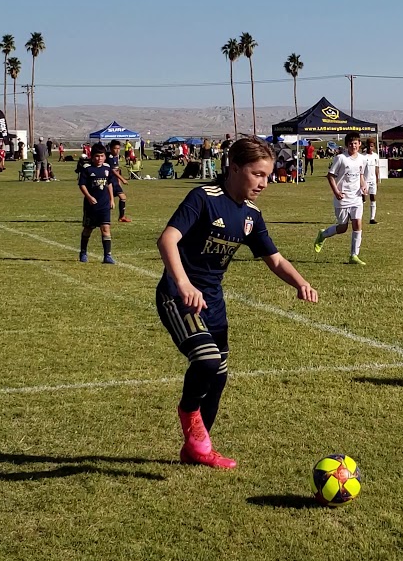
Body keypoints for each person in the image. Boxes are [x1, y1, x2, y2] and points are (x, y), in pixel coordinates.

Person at [157, 137, 317, 469]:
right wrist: (183, 283)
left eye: (267, 176)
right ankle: (188, 412)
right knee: (205, 360)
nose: (264, 183)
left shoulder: (251, 216)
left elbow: (274, 259)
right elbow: (167, 239)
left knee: (218, 376)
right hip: (178, 295)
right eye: (258, 174)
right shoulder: (203, 198)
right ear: (234, 168)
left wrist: (300, 282)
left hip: (213, 302)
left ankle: (197, 451)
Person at [313, 131, 368, 264]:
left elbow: (361, 175)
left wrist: (364, 186)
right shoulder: (340, 158)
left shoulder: (362, 159)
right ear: (346, 145)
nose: (353, 146)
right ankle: (323, 234)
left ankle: (354, 256)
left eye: (355, 143)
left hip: (356, 197)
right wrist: (336, 192)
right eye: (350, 143)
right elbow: (330, 176)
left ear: (359, 144)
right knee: (343, 228)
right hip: (342, 198)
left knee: (357, 224)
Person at [78, 144, 116, 264]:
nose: (99, 159)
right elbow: (82, 184)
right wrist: (89, 197)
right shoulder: (87, 168)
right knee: (88, 229)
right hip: (91, 206)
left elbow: (109, 184)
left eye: (102, 156)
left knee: (105, 228)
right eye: (97, 156)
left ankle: (107, 256)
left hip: (104, 205)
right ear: (92, 156)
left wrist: (112, 199)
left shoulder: (106, 168)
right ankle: (83, 252)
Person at [107, 139, 131, 223]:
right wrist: (122, 179)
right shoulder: (109, 157)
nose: (117, 150)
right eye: (115, 148)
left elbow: (117, 170)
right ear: (110, 148)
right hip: (109, 181)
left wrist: (119, 182)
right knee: (106, 200)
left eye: (118, 148)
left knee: (123, 197)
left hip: (115, 182)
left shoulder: (116, 157)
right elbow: (113, 171)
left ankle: (122, 217)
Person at [362, 138, 381, 224]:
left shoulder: (375, 156)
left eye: (372, 146)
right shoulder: (363, 157)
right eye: (369, 146)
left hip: (373, 180)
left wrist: (377, 181)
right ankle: (358, 216)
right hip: (365, 180)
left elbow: (377, 168)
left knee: (373, 197)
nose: (370, 148)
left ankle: (372, 218)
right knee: (362, 199)